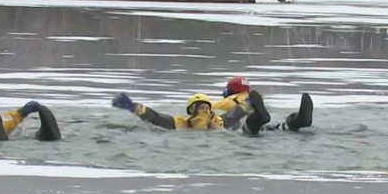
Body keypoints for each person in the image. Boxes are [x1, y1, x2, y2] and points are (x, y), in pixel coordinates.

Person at [112, 91, 269, 134]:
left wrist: (248, 104)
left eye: (207, 107)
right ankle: (260, 119)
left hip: (233, 134)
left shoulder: (219, 121)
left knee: (251, 128)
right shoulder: (181, 123)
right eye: (201, 107)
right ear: (191, 110)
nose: (205, 110)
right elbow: (156, 118)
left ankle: (260, 117)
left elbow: (235, 114)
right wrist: (135, 108)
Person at [215, 76, 314, 132]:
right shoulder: (252, 97)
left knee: (247, 123)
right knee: (283, 126)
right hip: (268, 118)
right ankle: (297, 121)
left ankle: (258, 118)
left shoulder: (228, 101)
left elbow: (207, 106)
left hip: (245, 123)